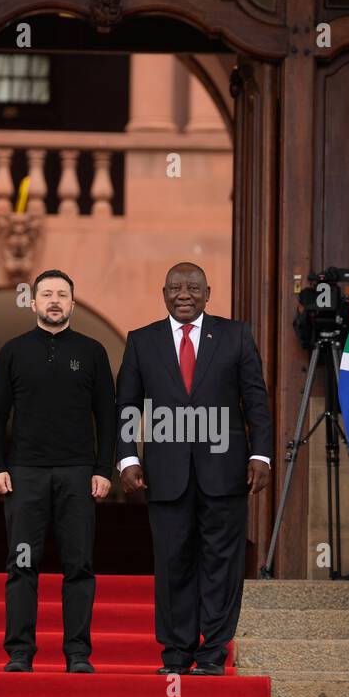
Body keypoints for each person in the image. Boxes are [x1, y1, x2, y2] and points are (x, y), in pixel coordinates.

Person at [115, 262, 273, 675]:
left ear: (208, 293)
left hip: (226, 471)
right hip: (165, 474)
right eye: (176, 288)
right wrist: (128, 457)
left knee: (222, 563)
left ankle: (212, 654)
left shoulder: (236, 335)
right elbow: (127, 405)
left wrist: (262, 455)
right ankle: (176, 654)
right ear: (163, 293)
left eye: (193, 287)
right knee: (173, 563)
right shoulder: (142, 341)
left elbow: (255, 400)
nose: (184, 294)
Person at [0, 269, 116, 673]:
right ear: (33, 301)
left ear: (73, 304)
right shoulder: (13, 351)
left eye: (62, 294)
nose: (54, 300)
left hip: (78, 474)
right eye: (47, 294)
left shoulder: (93, 351)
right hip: (25, 474)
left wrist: (103, 469)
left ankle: (78, 654)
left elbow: (107, 416)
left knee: (79, 565)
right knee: (22, 564)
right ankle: (20, 653)